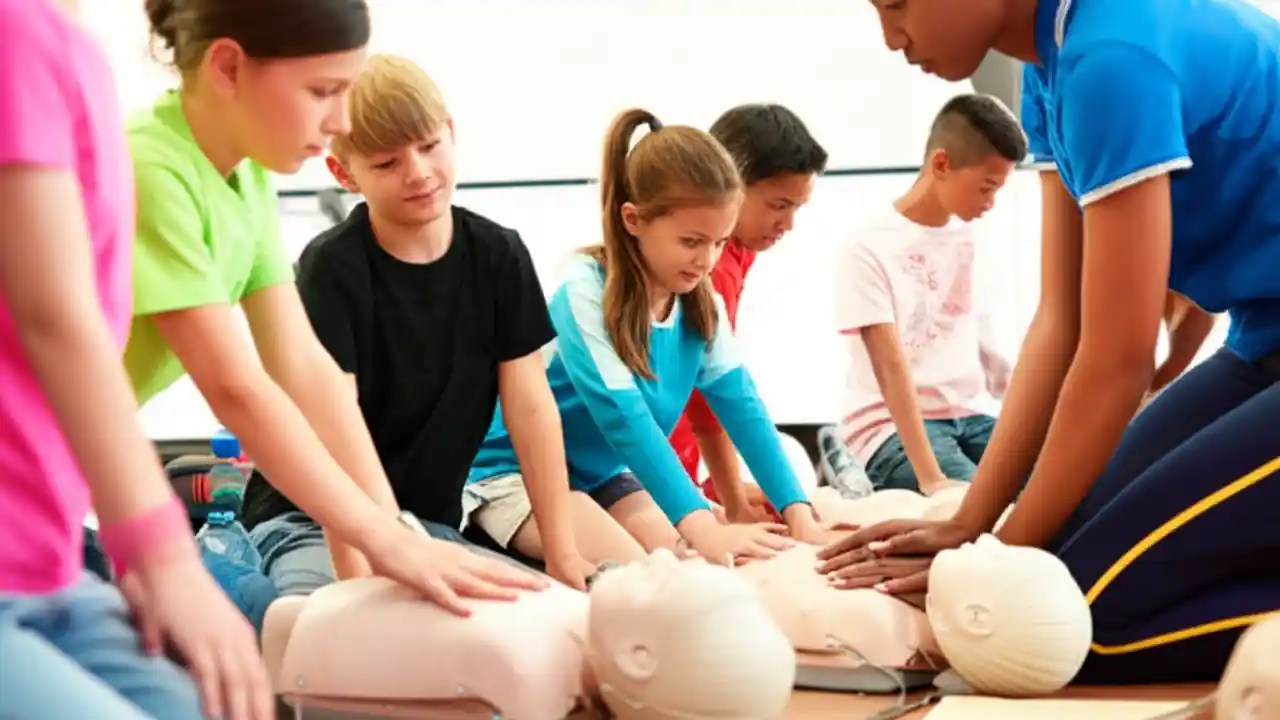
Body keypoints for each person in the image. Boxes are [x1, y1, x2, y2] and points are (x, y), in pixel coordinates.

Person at [818, 0, 1280, 684]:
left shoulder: (1111, 57)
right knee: (1052, 565)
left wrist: (990, 570)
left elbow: (1120, 360)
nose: (891, 38)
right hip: (1261, 342)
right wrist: (973, 526)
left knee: (1074, 625)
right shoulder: (1051, 65)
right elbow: (1063, 321)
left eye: (897, 4)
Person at [127, 0, 544, 615]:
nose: (342, 118)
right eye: (324, 91)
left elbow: (308, 371)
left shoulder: (245, 178)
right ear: (228, 67)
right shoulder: (152, 170)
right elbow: (239, 388)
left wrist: (395, 535)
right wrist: (384, 542)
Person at [241, 54, 638, 593]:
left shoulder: (499, 255)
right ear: (343, 172)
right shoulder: (330, 269)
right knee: (332, 628)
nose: (418, 173)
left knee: (530, 617)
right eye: (387, 163)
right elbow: (333, 433)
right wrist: (358, 583)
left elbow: (530, 408)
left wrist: (563, 552)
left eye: (429, 147)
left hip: (428, 526)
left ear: (450, 133)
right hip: (310, 519)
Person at [0, 1, 271, 718]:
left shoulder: (73, 53)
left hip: (47, 567)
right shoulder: (14, 34)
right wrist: (161, 556)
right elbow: (54, 315)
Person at [470, 109, 825, 566]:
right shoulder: (582, 290)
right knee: (651, 576)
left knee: (698, 564)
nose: (707, 261)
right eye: (692, 241)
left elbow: (743, 407)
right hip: (512, 475)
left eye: (719, 243)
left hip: (601, 474)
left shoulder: (702, 302)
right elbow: (625, 418)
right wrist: (703, 526)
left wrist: (800, 515)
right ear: (634, 220)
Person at [836, 94, 1022, 497]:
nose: (991, 203)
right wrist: (930, 478)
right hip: (889, 426)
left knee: (1052, 491)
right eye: (986, 188)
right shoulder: (868, 247)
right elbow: (890, 366)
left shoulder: (969, 238)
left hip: (968, 416)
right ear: (941, 164)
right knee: (977, 505)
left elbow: (987, 345)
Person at [667, 103, 829, 524]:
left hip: (677, 466)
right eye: (778, 205)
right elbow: (713, 398)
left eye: (797, 208)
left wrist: (730, 492)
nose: (788, 224)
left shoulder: (736, 252)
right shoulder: (708, 267)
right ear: (730, 183)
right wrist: (732, 503)